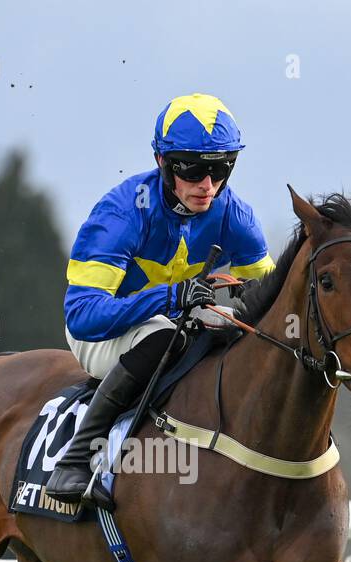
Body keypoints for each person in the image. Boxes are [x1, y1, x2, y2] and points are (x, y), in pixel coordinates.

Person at [44, 92, 276, 504]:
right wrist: (169, 298)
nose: (207, 186)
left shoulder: (235, 215)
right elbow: (83, 316)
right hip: (105, 332)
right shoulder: (122, 213)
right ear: (162, 163)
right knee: (162, 334)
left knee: (237, 332)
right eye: (191, 170)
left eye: (221, 169)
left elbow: (274, 301)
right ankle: (76, 460)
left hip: (177, 319)